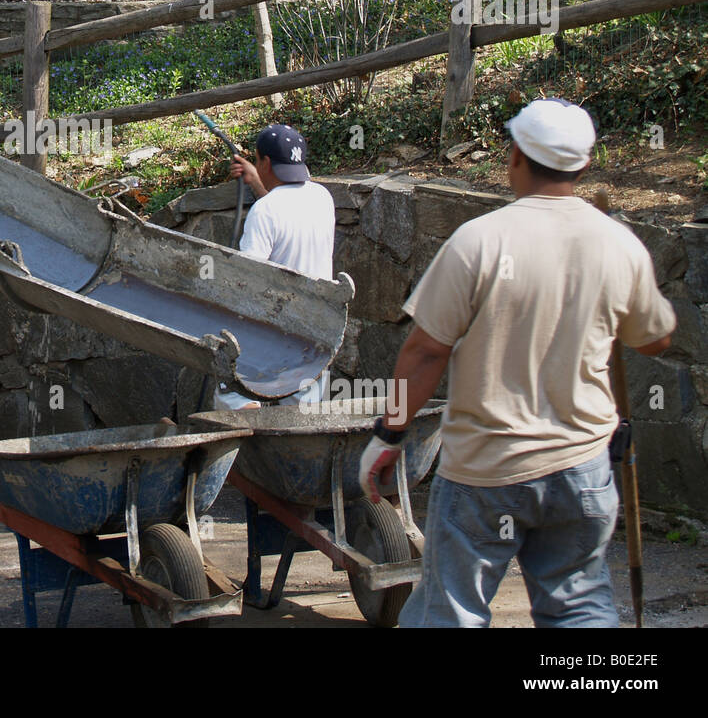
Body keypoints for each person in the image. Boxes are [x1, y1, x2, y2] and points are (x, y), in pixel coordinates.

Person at [359, 98, 676, 628]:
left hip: (486, 473)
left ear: (516, 158)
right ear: (584, 165)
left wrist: (389, 435)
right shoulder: (618, 244)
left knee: (451, 610)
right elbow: (656, 340)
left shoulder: (479, 242)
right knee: (579, 606)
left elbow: (424, 352)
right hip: (582, 466)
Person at [224, 123, 337, 409]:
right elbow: (285, 210)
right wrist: (257, 180)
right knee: (302, 420)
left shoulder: (265, 211)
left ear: (267, 162)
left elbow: (249, 279)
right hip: (319, 330)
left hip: (276, 330)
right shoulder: (323, 198)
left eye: (259, 160)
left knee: (234, 397)